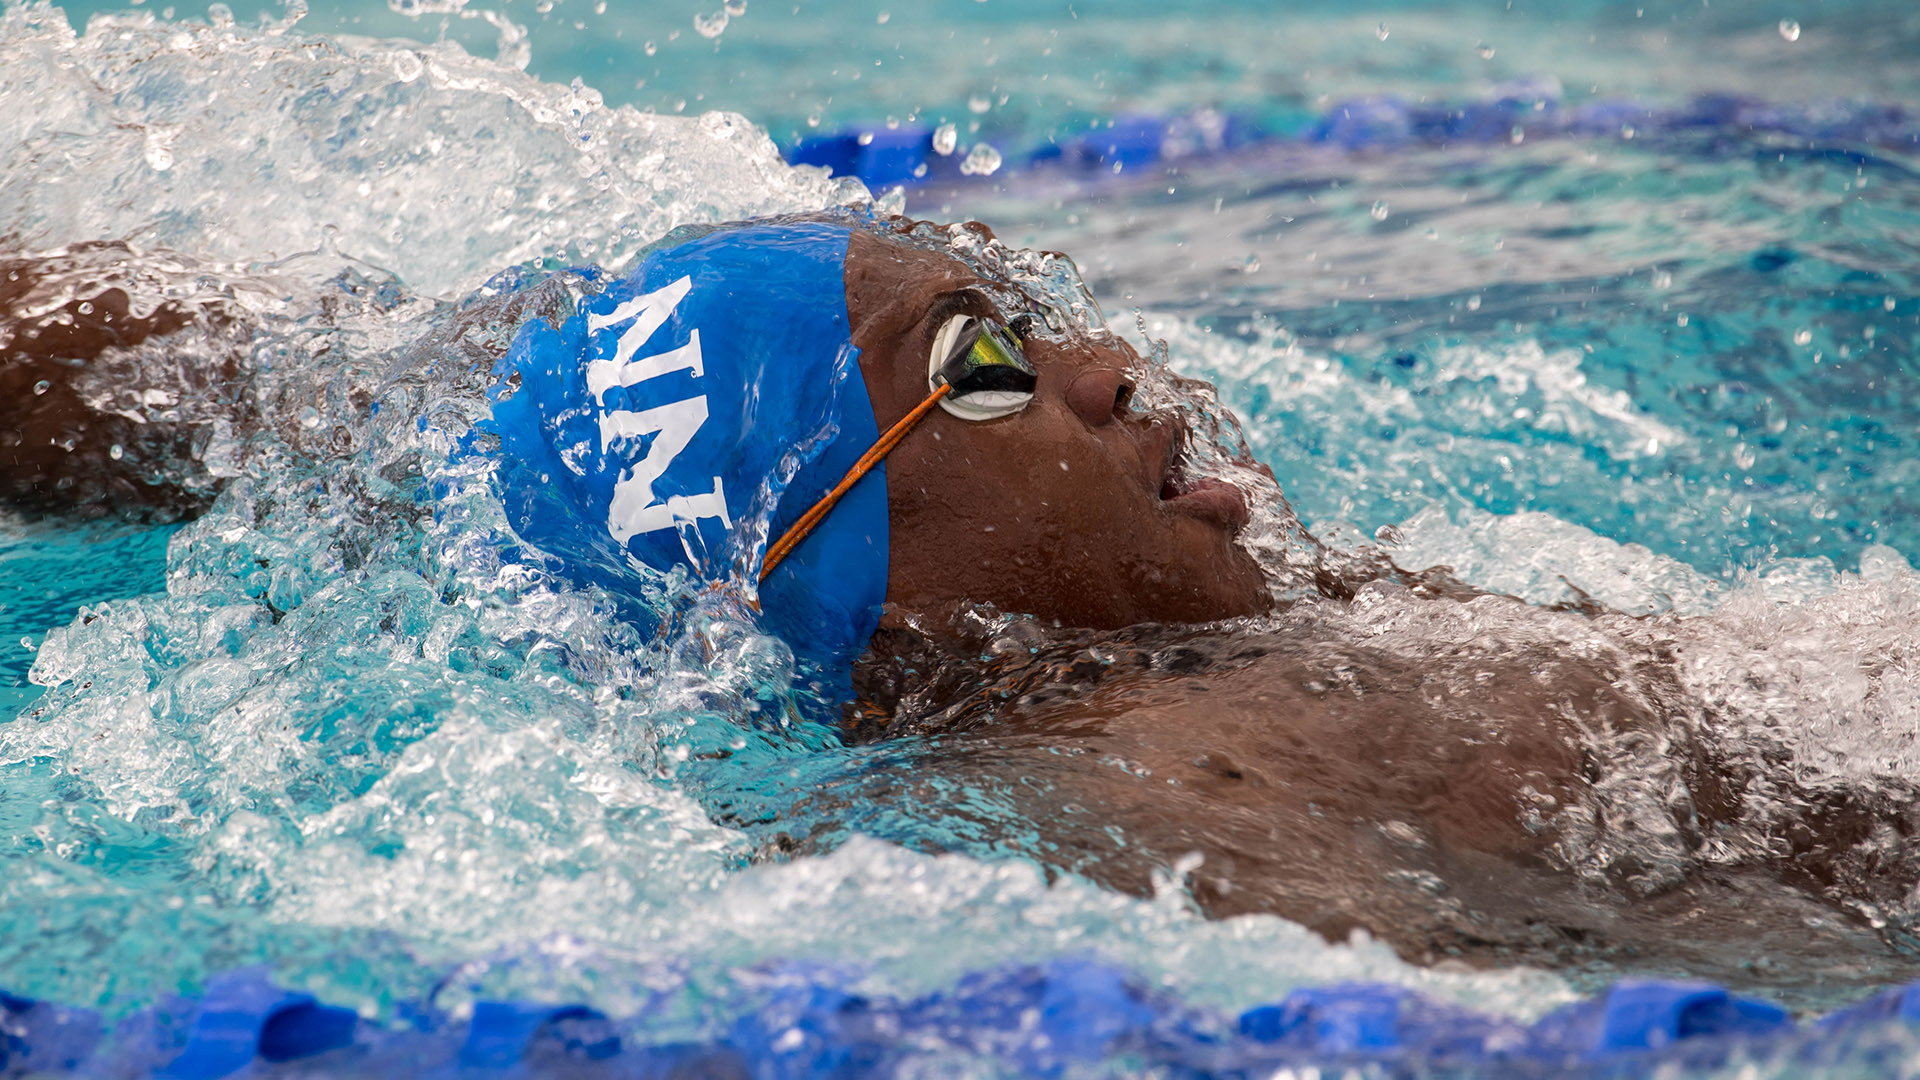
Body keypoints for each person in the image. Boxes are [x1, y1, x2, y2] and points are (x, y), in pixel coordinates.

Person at [4, 215, 1914, 991]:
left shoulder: (1217, 630)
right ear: (884, 603)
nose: (1103, 366)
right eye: (984, 359)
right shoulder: (1190, 789)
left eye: (1029, 299)